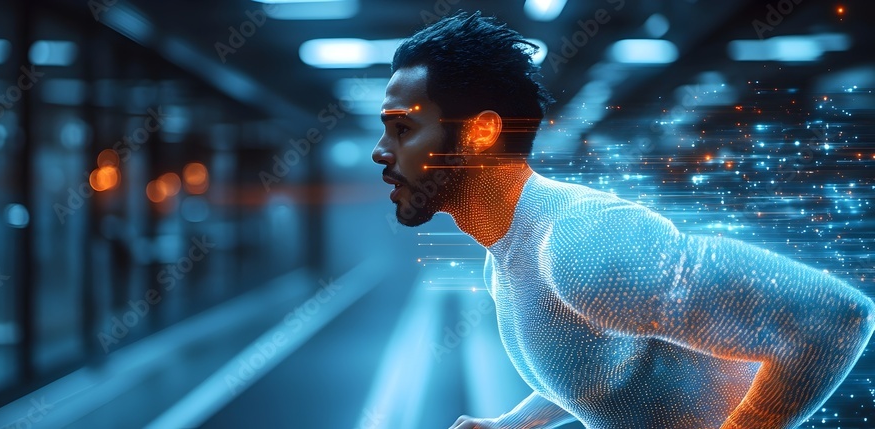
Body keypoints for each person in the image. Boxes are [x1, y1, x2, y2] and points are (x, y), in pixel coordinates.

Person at [371, 11, 875, 429]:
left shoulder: (583, 246)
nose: (380, 152)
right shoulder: (507, 255)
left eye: (403, 129)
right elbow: (595, 370)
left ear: (481, 132)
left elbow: (835, 320)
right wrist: (513, 425)